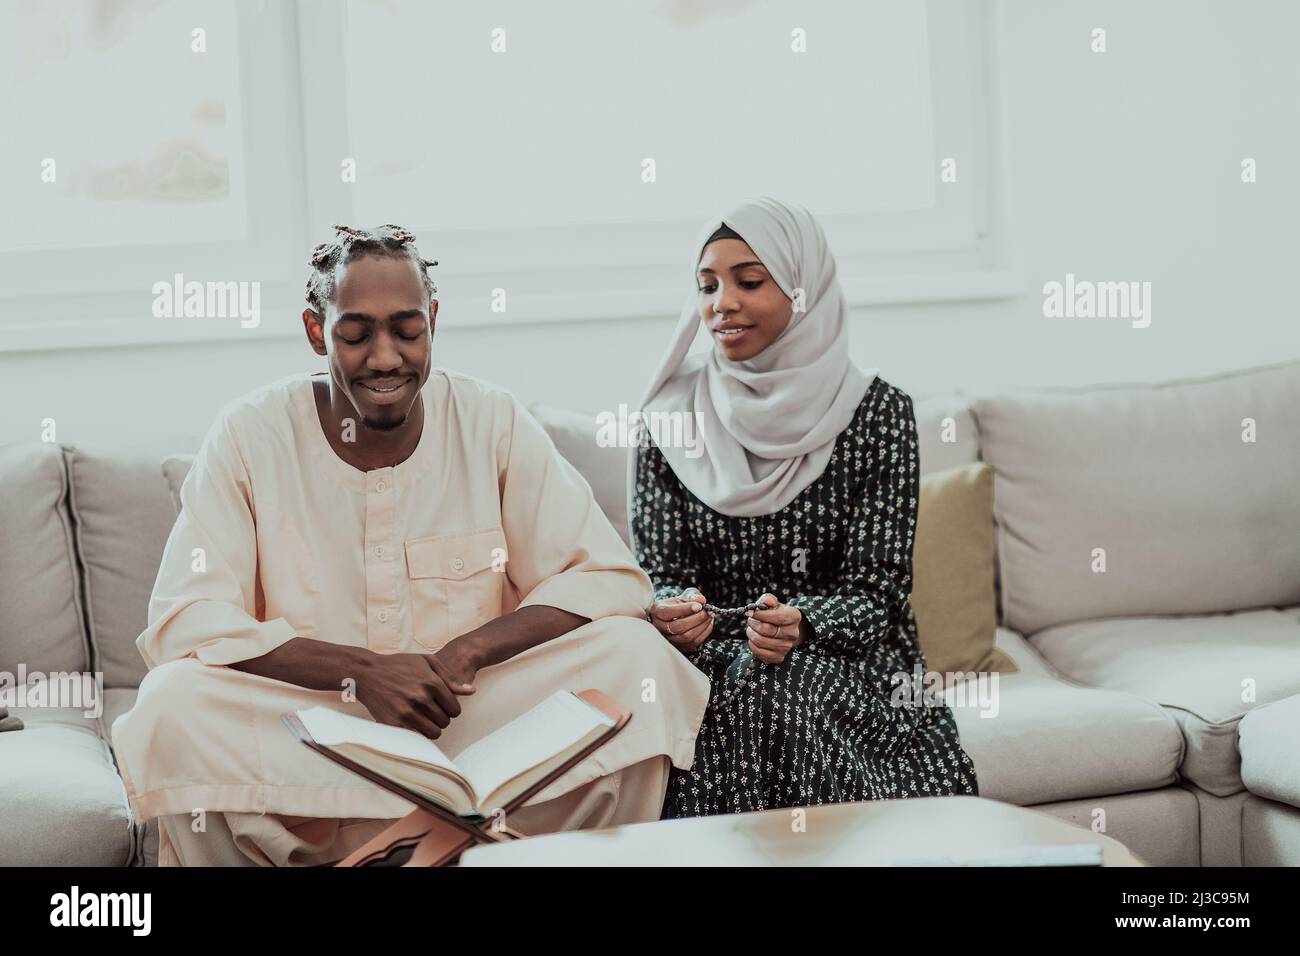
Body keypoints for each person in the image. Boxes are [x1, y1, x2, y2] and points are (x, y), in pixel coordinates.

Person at [112, 223, 709, 866]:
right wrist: (360, 671)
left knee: (634, 653)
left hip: (466, 721)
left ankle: (475, 849)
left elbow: (609, 578)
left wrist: (467, 652)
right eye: (356, 332)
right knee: (173, 703)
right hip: (314, 728)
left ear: (433, 320)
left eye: (406, 328)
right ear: (317, 331)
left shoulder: (492, 420)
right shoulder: (249, 434)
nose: (386, 357)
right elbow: (186, 618)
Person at [630, 198, 979, 818]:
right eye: (706, 286)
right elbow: (658, 573)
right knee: (742, 689)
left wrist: (804, 624)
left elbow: (879, 590)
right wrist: (678, 613)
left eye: (749, 281)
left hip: (848, 657)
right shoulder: (667, 419)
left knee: (782, 688)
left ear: (804, 288)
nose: (721, 304)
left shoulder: (878, 413)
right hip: (714, 657)